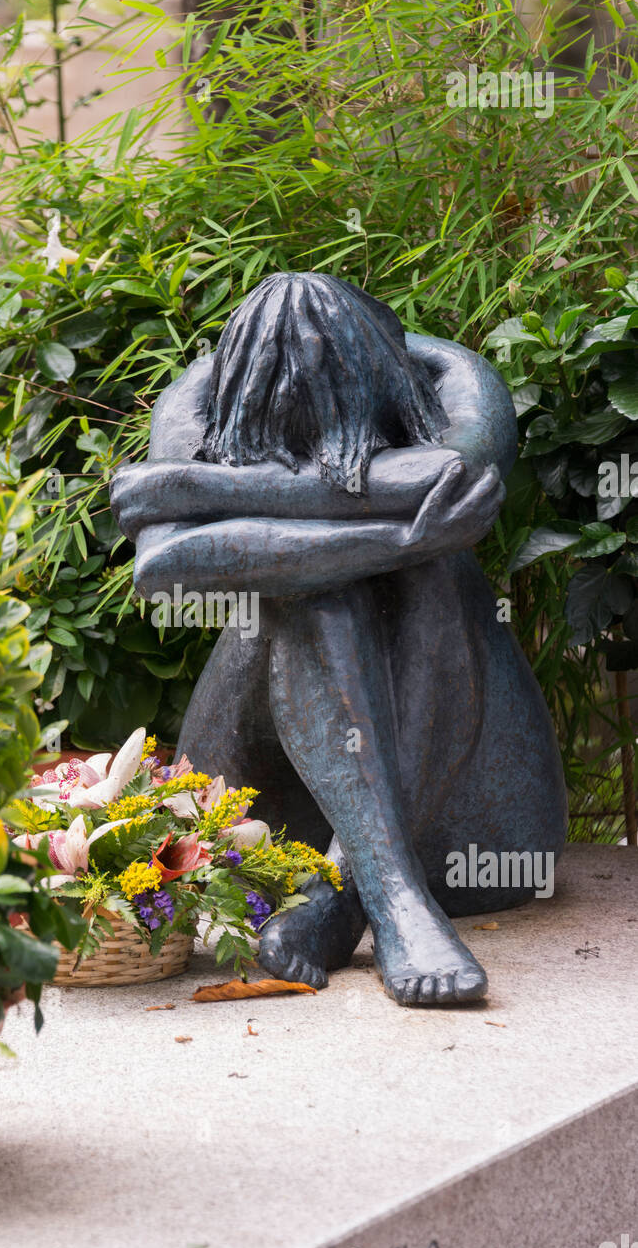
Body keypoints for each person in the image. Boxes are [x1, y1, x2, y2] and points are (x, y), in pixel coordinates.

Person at [110, 273, 567, 1006]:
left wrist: (197, 491)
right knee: (325, 589)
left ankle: (349, 890)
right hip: (266, 811)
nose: (312, 430)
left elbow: (450, 473)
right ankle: (389, 895)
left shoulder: (451, 378)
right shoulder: (201, 392)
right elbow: (166, 564)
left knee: (431, 576)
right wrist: (395, 530)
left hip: (479, 837)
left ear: (377, 369)